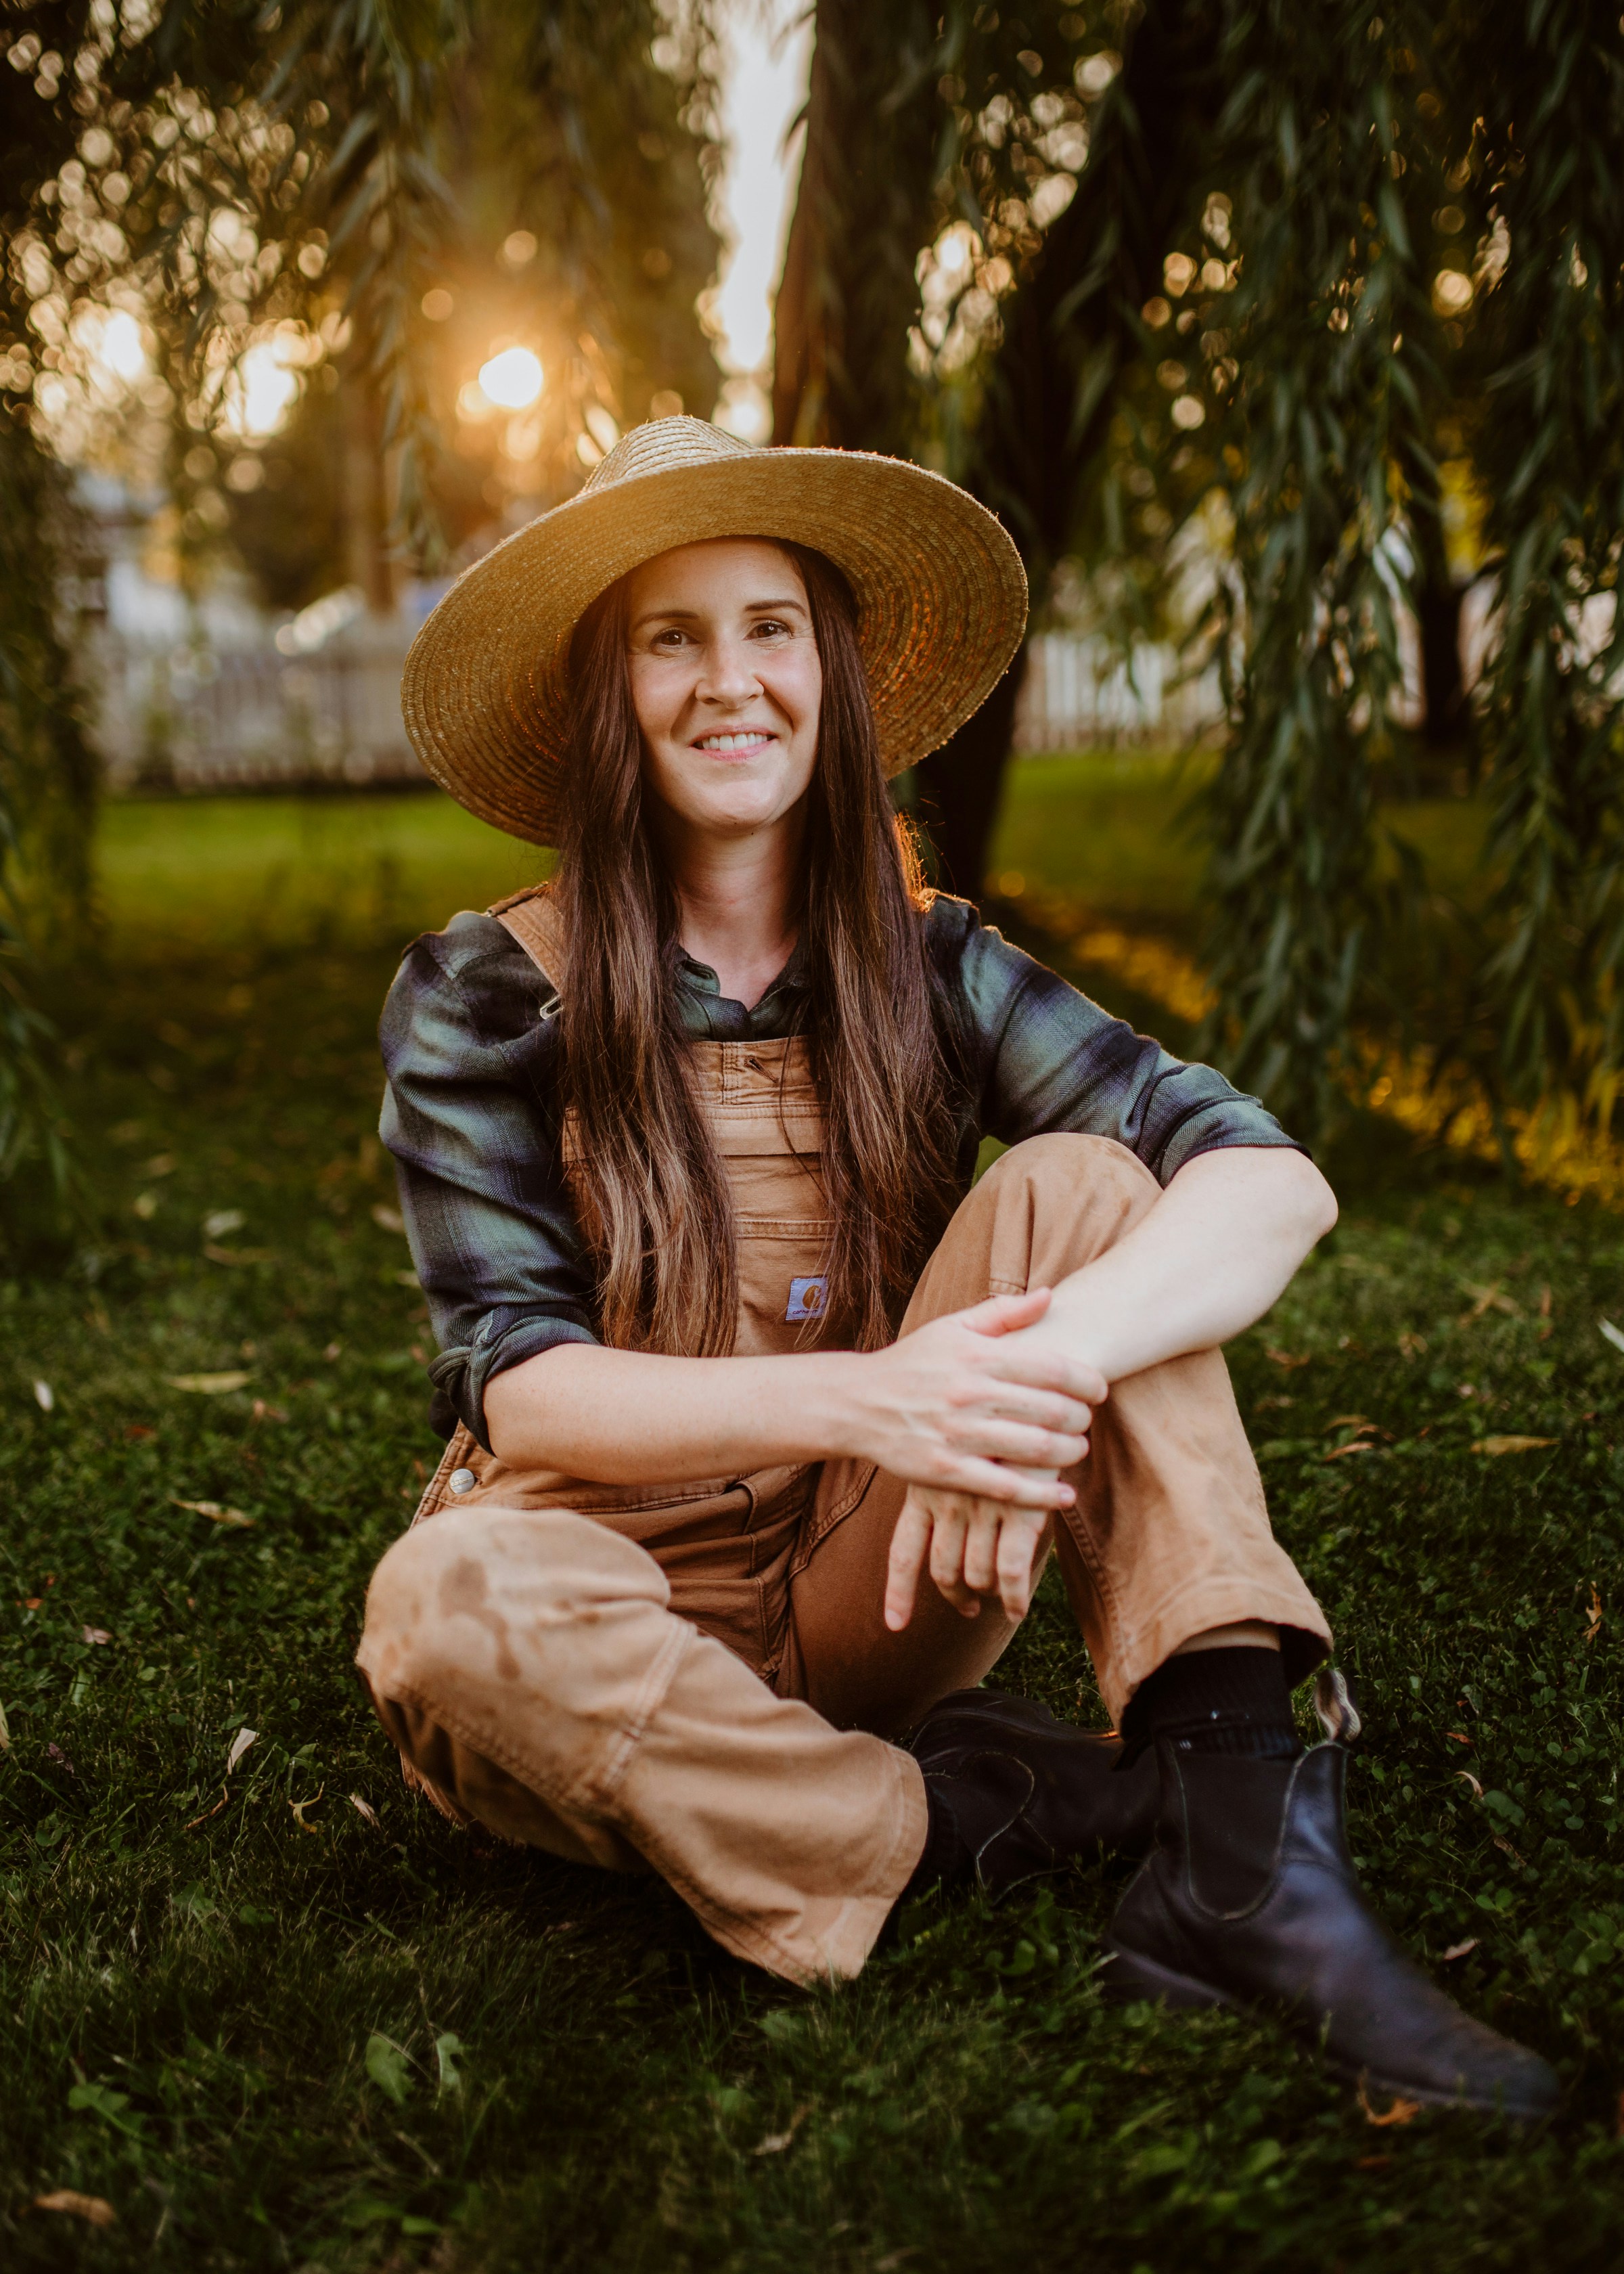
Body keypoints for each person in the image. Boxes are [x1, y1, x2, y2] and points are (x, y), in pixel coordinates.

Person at [357, 416, 1555, 2120]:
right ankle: (1015, 1810)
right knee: (439, 1610)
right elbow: (519, 1373)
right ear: (611, 696)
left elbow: (1271, 1181)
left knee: (1084, 1186)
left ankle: (1235, 1844)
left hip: (882, 1564)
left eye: (769, 626)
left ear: (834, 672)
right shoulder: (489, 992)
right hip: (602, 1588)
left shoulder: (930, 967)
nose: (730, 682)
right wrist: (889, 1393)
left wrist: (1053, 1356)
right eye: (669, 638)